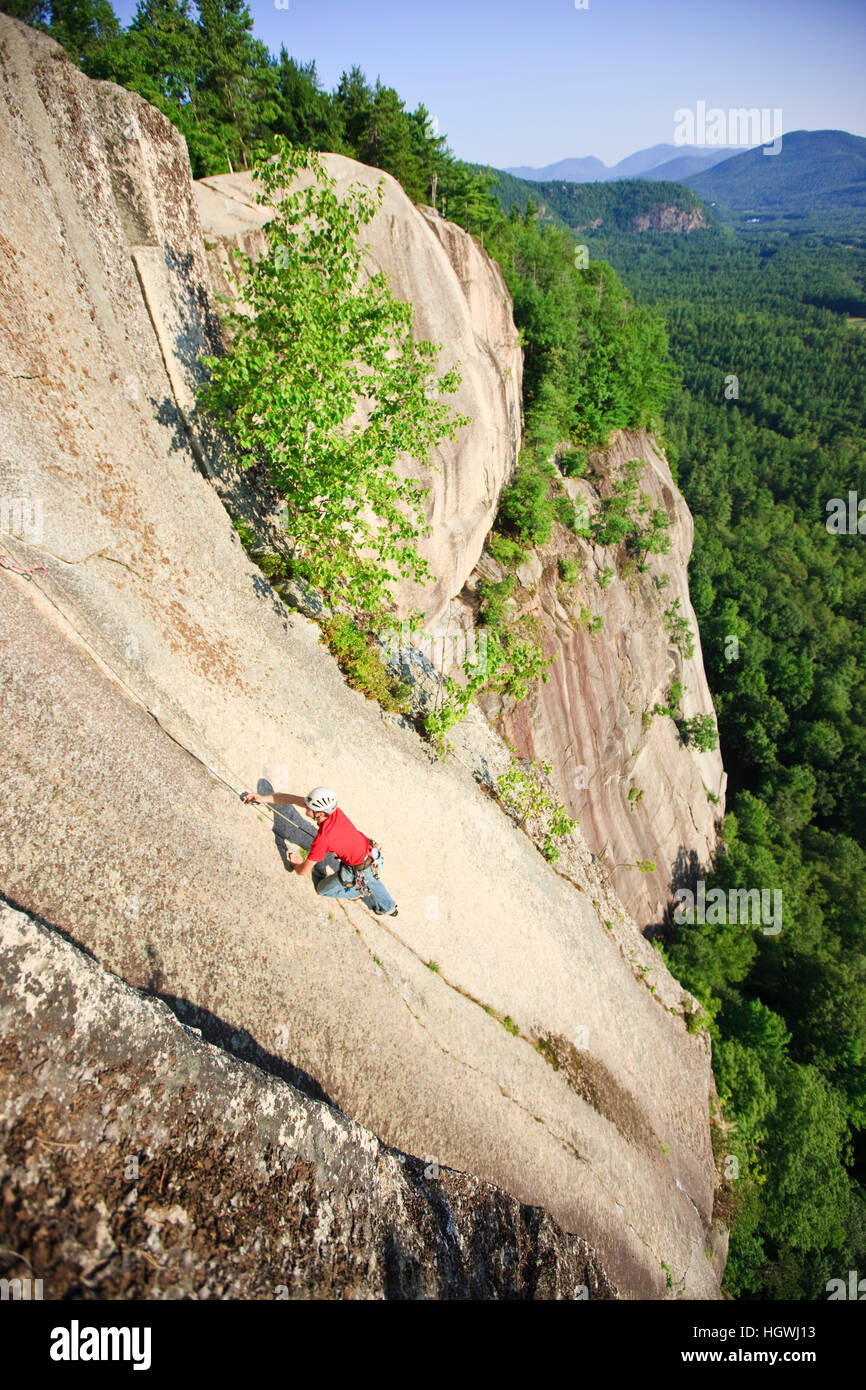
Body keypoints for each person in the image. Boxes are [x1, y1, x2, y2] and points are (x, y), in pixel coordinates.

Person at [241, 784, 398, 917]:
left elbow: (303, 871)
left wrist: (296, 864)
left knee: (322, 889)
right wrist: (262, 798)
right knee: (371, 879)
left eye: (309, 807)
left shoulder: (323, 839)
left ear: (320, 813)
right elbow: (291, 799)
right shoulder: (333, 811)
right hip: (365, 849)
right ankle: (389, 907)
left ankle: (371, 899)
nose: (305, 807)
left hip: (359, 867)